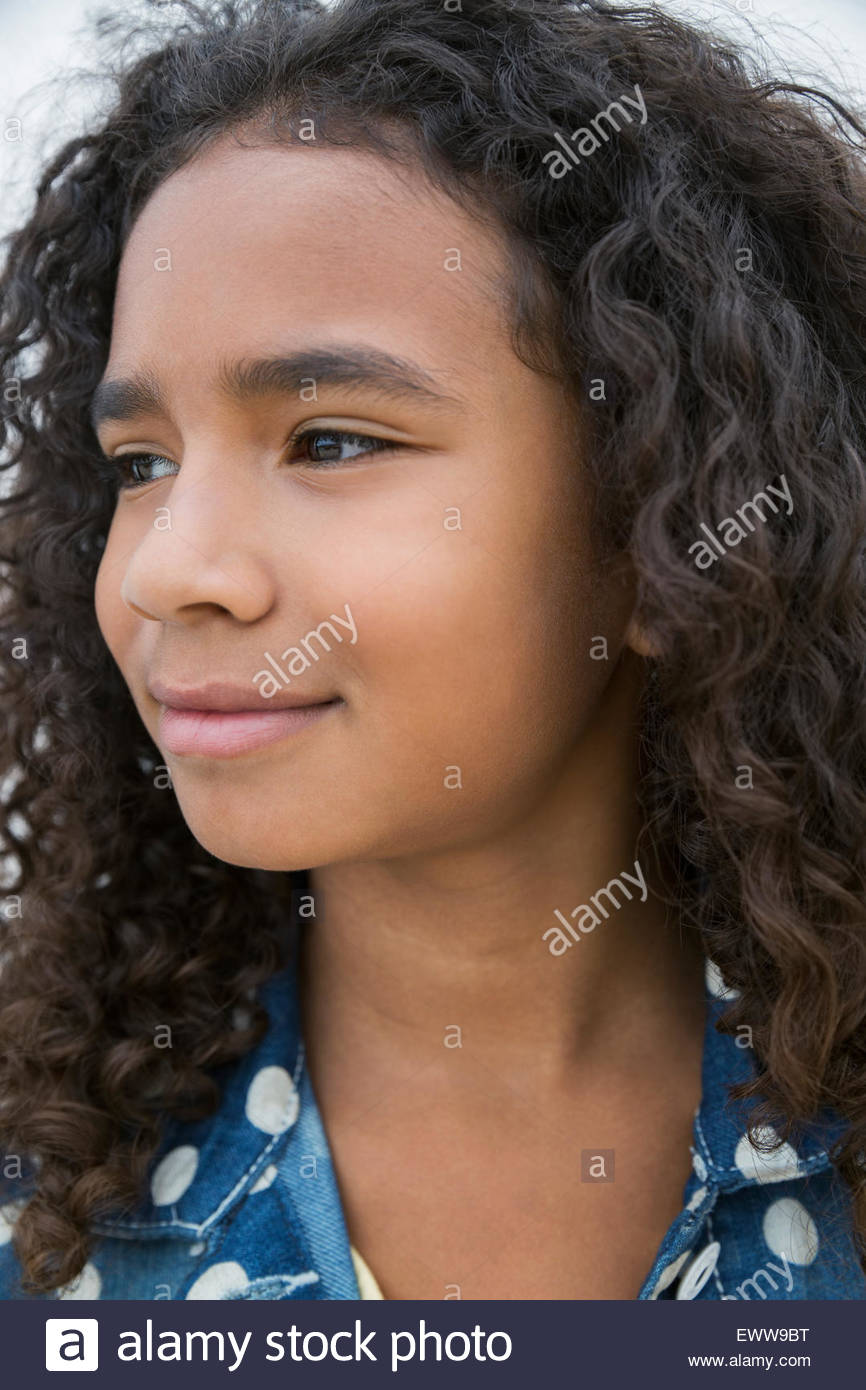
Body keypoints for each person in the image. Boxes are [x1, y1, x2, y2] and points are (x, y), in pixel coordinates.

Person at [0, 0, 865, 1302]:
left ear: (662, 519)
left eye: (331, 440)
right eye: (140, 461)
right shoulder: (38, 1201)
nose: (172, 568)